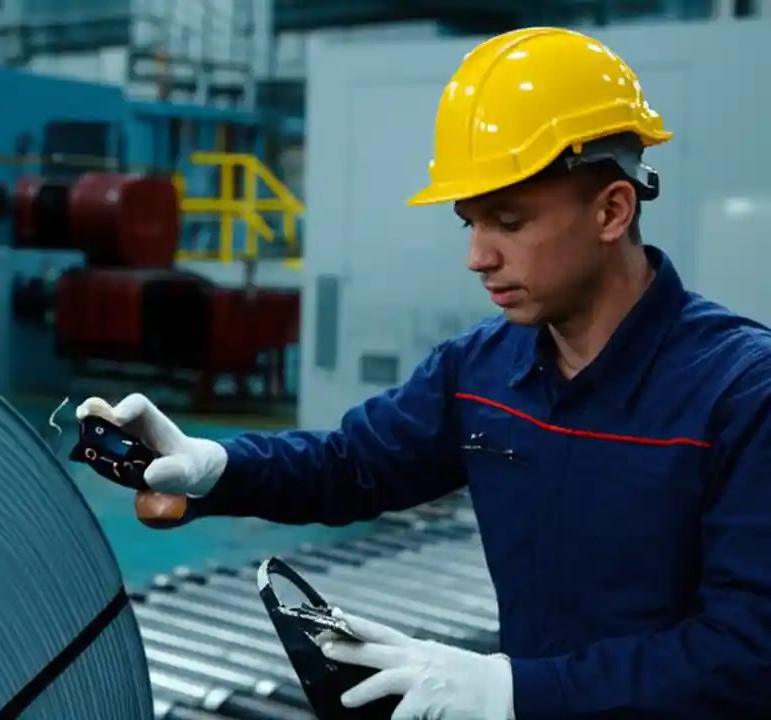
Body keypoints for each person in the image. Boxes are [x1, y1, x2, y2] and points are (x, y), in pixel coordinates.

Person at [77, 26, 771, 719]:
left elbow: (746, 655)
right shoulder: (481, 369)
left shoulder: (741, 395)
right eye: (468, 222)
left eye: (507, 220)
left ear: (612, 210)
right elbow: (351, 465)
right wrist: (214, 467)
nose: (478, 256)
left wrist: (511, 690)